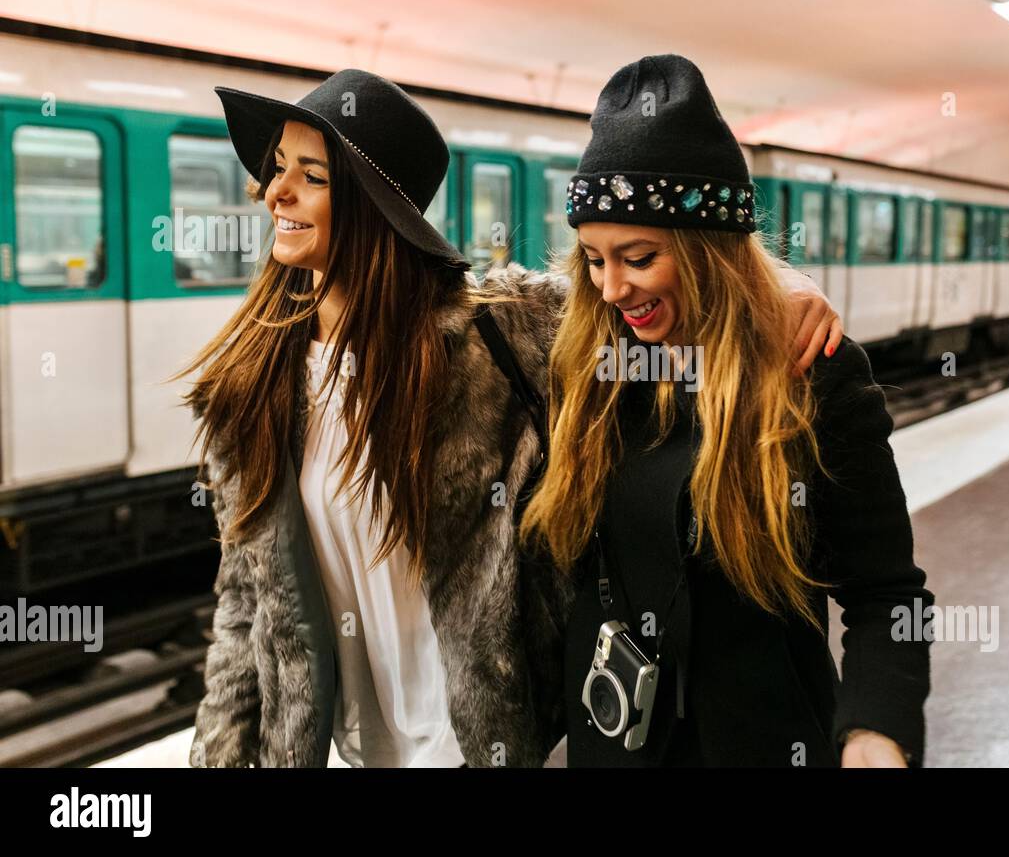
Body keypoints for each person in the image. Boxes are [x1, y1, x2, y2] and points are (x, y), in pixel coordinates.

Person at [172, 68, 844, 767]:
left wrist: (786, 287)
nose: (273, 189)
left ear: (375, 205)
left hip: (483, 741)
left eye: (310, 174)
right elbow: (246, 599)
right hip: (335, 751)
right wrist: (219, 752)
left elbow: (657, 284)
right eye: (278, 167)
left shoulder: (496, 336)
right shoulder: (249, 386)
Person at [520, 55, 934, 768]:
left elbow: (886, 592)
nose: (612, 287)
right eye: (592, 258)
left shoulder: (811, 371)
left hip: (771, 742)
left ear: (707, 252)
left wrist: (876, 726)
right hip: (617, 742)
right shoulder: (583, 366)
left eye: (640, 257)